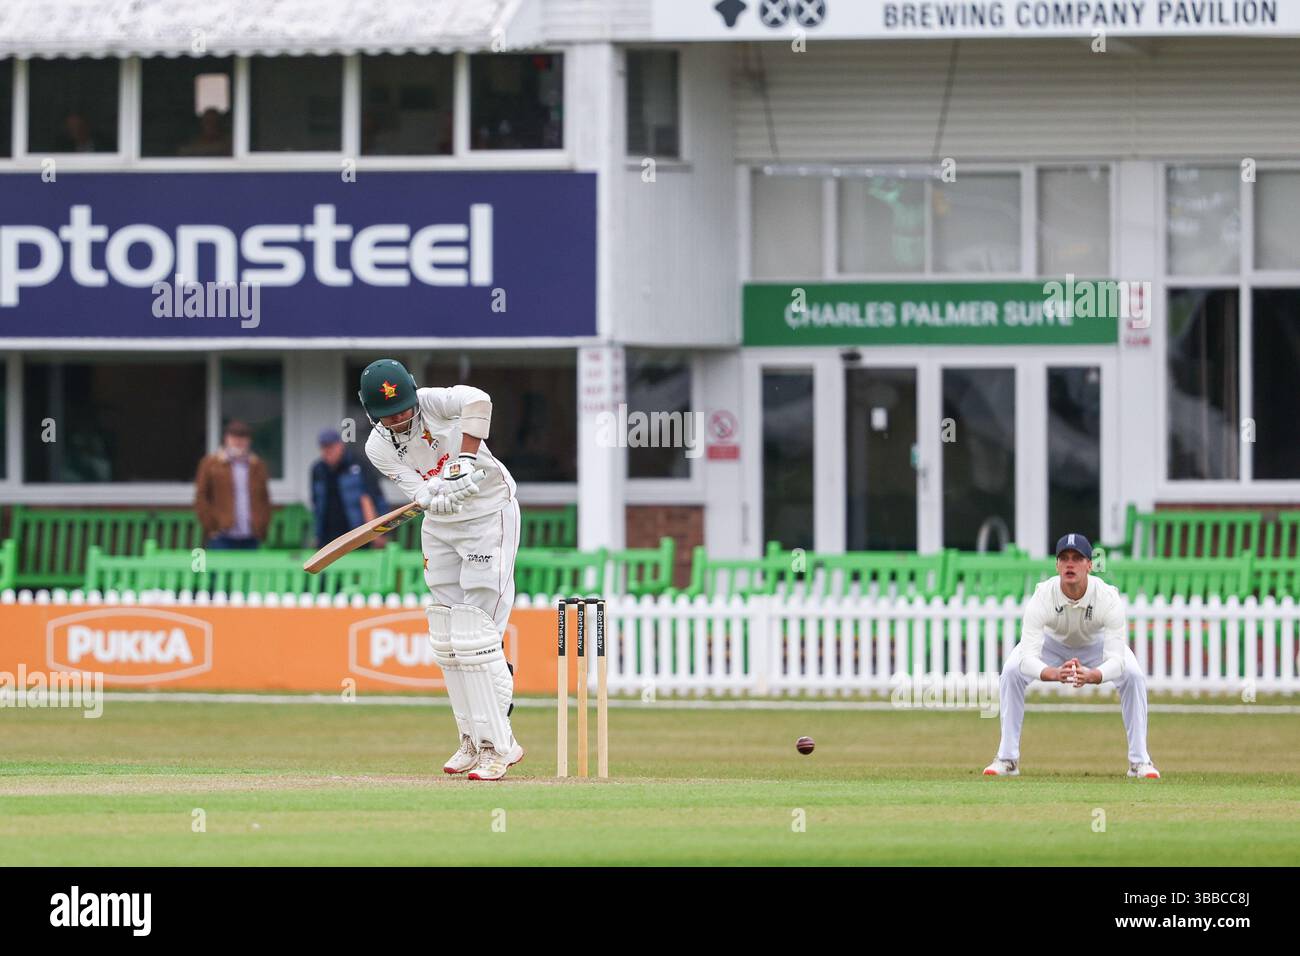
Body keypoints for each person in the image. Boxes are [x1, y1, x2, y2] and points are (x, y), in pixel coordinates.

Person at [359, 358, 522, 781]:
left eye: (403, 408)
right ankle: (471, 737)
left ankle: (498, 745)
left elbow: (479, 399)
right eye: (387, 415)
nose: (398, 419)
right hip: (441, 526)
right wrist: (433, 495)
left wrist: (465, 461)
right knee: (448, 634)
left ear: (414, 394)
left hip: (489, 515)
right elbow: (415, 490)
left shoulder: (435, 402)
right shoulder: (377, 447)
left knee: (479, 632)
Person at [983, 534, 1160, 779]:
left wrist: (1095, 676)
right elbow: (1026, 657)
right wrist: (1052, 673)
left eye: (1077, 558)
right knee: (1012, 671)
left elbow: (1117, 660)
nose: (1070, 564)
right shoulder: (1043, 595)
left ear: (1090, 564)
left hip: (1096, 645)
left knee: (1133, 675)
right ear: (1056, 565)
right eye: (1064, 558)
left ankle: (1139, 762)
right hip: (1052, 643)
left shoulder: (1108, 597)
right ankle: (1007, 758)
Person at [194, 420, 271, 550]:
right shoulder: (211, 464)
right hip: (222, 534)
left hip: (250, 534)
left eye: (242, 438)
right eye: (234, 438)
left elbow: (264, 498)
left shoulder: (257, 465)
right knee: (220, 570)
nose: (238, 442)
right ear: (226, 439)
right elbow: (201, 497)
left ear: (249, 441)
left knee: (249, 570)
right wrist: (211, 527)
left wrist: (261, 525)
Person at [310, 428, 384, 546]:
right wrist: (317, 534)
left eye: (331, 447)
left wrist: (379, 533)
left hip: (356, 534)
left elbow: (374, 498)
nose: (328, 451)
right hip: (328, 536)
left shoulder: (359, 464)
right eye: (324, 447)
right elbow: (316, 503)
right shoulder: (318, 470)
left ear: (340, 446)